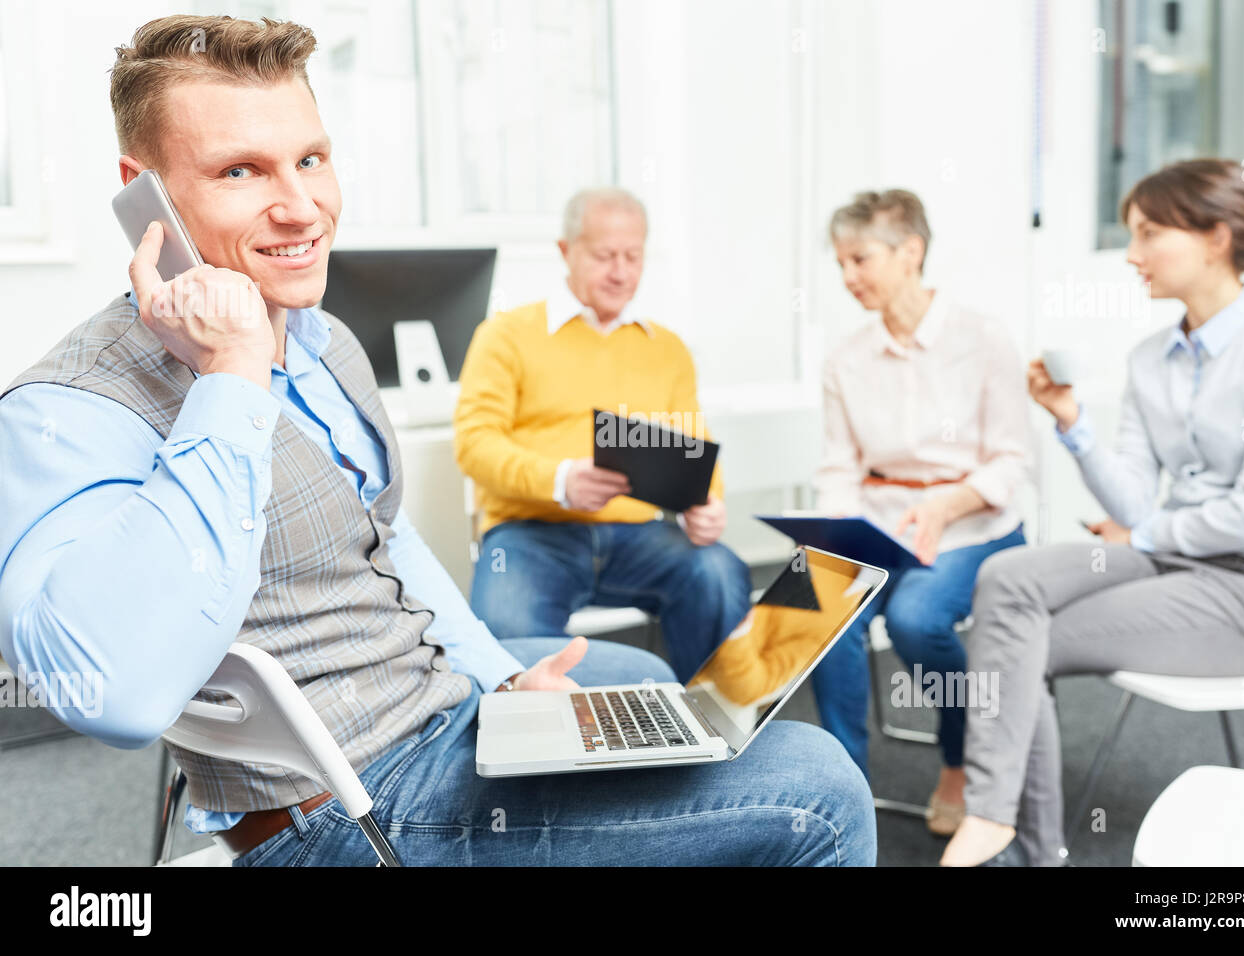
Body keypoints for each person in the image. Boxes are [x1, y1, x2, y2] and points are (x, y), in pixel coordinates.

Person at [0, 14, 875, 866]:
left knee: (628, 677)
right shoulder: (67, 408)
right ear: (139, 192)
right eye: (242, 170)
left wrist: (497, 681)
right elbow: (107, 693)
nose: (303, 208)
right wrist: (232, 373)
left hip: (435, 705)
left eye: (311, 159)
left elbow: (388, 536)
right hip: (345, 808)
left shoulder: (322, 338)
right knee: (817, 790)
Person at [942, 158, 1244, 867]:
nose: (1131, 254)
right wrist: (1073, 423)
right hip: (1172, 556)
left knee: (1017, 643)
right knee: (1007, 583)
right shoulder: (1149, 359)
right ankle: (997, 822)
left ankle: (1025, 847)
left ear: (1216, 238)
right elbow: (1136, 497)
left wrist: (1145, 531)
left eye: (1148, 233)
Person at [455, 187, 752, 682]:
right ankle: (543, 754)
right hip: (530, 534)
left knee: (719, 572)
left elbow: (694, 444)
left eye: (633, 257)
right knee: (505, 629)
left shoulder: (668, 348)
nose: (620, 272)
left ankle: (710, 736)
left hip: (641, 535)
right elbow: (475, 443)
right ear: (566, 252)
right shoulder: (506, 334)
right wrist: (561, 480)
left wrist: (708, 503)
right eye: (604, 256)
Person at [809, 189, 1031, 835]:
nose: (848, 277)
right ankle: (842, 787)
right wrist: (836, 531)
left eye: (861, 259)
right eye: (841, 263)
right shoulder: (845, 357)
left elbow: (1012, 462)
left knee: (914, 619)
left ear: (911, 252)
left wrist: (946, 503)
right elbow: (838, 468)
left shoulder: (983, 338)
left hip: (974, 523)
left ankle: (961, 761)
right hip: (879, 522)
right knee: (818, 608)